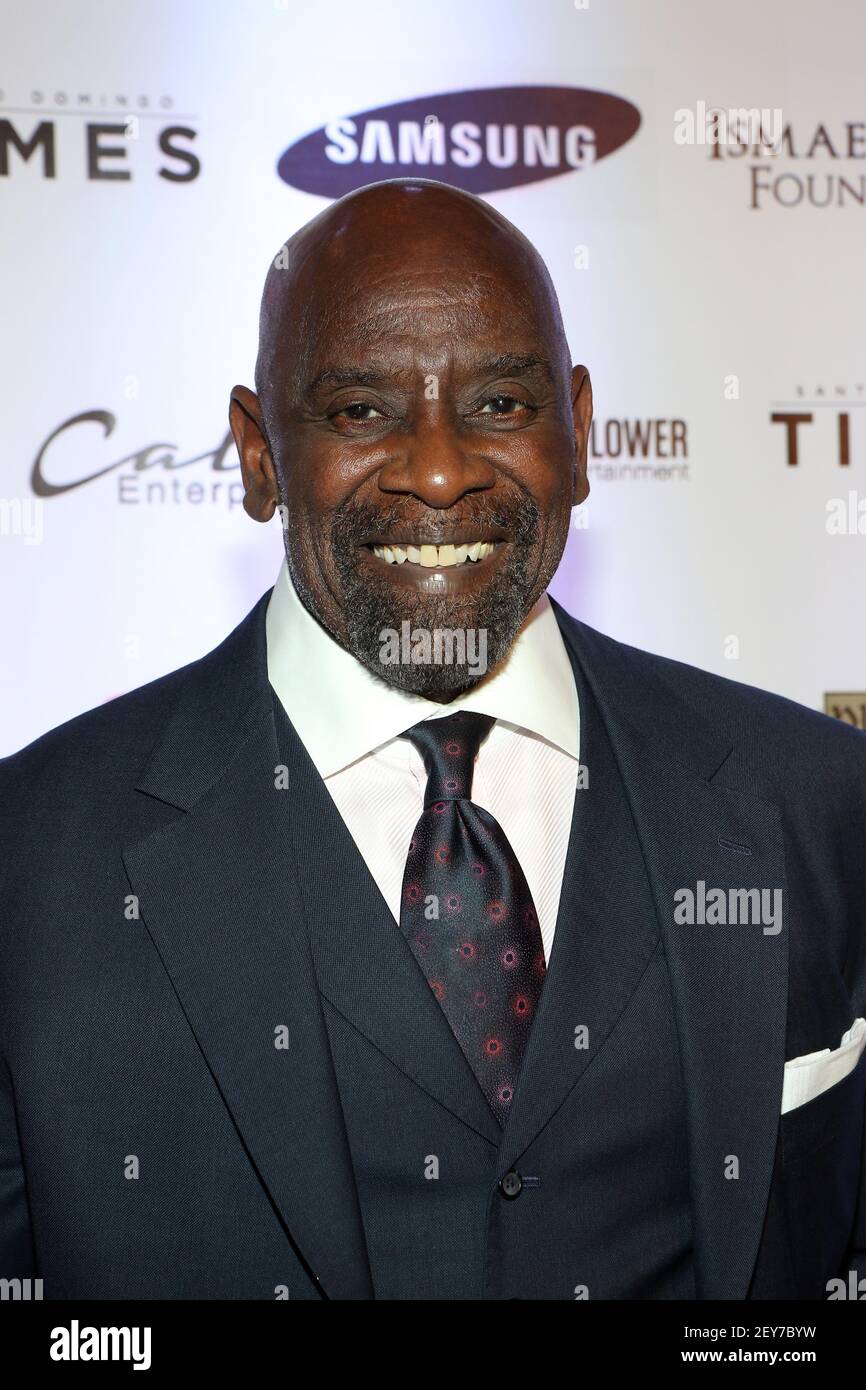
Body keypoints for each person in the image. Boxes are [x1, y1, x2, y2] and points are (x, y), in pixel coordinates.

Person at [1, 178, 864, 1301]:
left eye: (502, 403)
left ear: (581, 431)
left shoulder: (815, 804)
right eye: (359, 411)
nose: (443, 468)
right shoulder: (33, 862)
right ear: (259, 457)